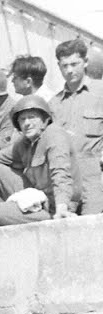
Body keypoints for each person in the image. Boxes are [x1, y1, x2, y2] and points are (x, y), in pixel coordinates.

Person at [0, 95, 82, 229]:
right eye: (22, 119)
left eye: (32, 117)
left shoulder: (54, 136)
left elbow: (61, 174)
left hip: (53, 208)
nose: (27, 123)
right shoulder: (25, 142)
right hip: (35, 198)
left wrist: (62, 208)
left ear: (45, 120)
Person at [48, 36, 103, 214]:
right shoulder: (53, 104)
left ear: (85, 62)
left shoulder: (100, 93)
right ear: (59, 67)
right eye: (65, 66)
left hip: (94, 176)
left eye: (75, 64)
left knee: (94, 228)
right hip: (66, 180)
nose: (70, 70)